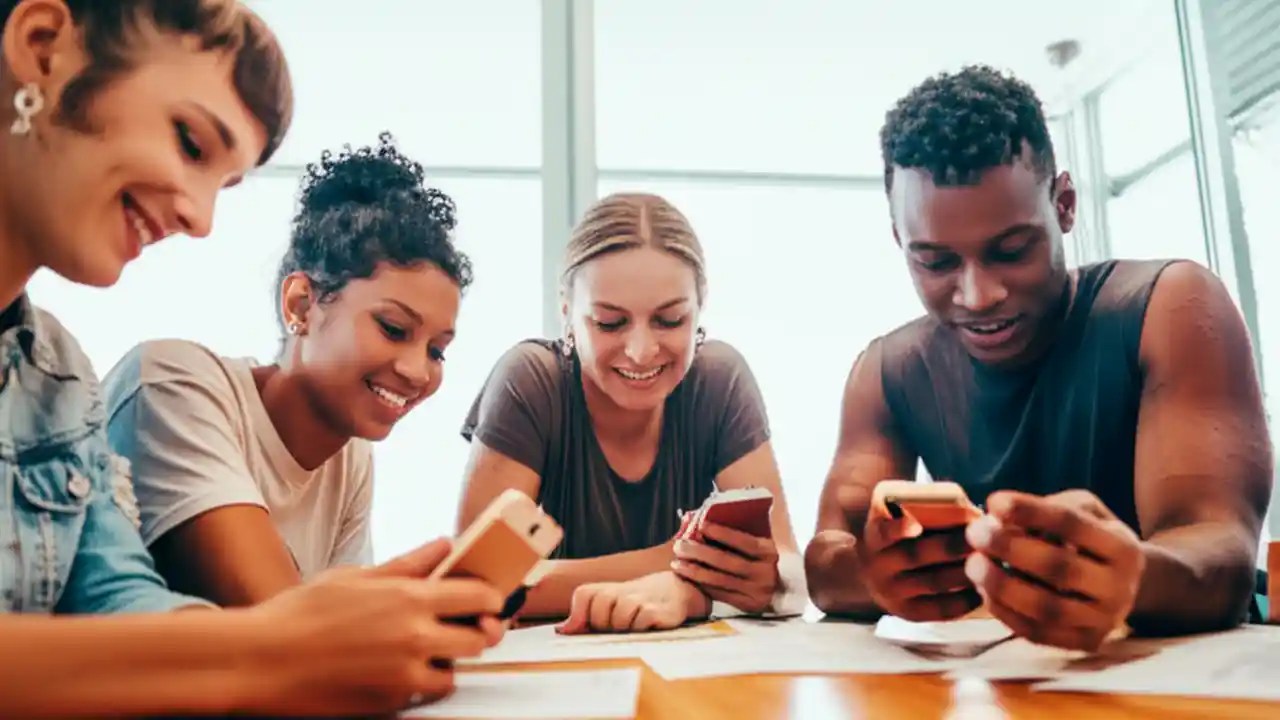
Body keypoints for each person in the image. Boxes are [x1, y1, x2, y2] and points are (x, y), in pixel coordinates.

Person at [0, 1, 501, 716]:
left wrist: (331, 630)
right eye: (191, 143)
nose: (200, 219)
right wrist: (275, 645)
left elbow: (113, 598)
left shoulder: (56, 377)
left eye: (225, 187)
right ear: (44, 47)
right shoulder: (170, 377)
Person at [804, 64, 1273, 651]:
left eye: (1011, 250)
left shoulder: (1169, 306)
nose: (978, 296)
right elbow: (827, 559)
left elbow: (1220, 548)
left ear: (1066, 205)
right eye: (936, 262)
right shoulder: (886, 369)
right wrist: (879, 575)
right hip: (1019, 689)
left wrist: (1134, 576)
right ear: (901, 241)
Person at [102, 133, 472, 607]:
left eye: (438, 351)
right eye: (394, 328)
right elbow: (279, 617)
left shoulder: (350, 457)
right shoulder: (171, 384)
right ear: (301, 304)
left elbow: (334, 632)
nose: (418, 372)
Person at [460, 192, 806, 634]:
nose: (641, 352)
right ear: (566, 313)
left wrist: (694, 593)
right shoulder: (531, 382)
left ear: (700, 308)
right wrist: (675, 565)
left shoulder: (719, 379)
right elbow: (476, 586)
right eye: (609, 323)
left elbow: (790, 572)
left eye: (670, 321)